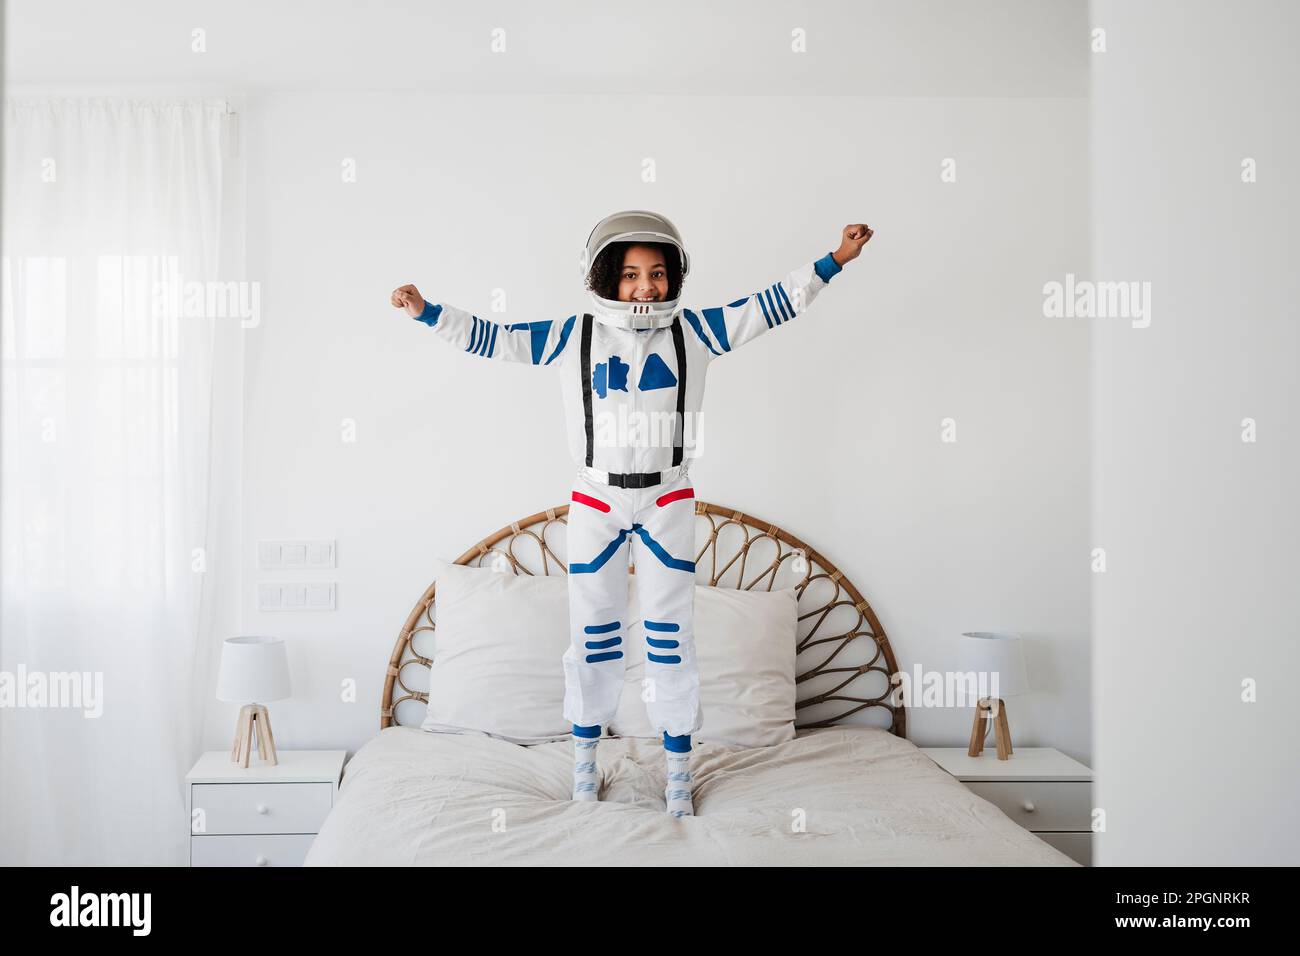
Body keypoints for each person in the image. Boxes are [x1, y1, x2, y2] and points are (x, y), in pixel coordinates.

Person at [392, 210, 872, 817]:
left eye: (656, 273)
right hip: (596, 497)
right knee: (593, 635)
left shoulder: (694, 332)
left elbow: (767, 306)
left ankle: (678, 773)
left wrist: (833, 262)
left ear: (674, 277)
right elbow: (500, 338)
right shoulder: (577, 334)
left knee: (671, 636)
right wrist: (430, 314)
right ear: (605, 278)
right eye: (630, 275)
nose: (645, 287)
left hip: (669, 496)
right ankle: (585, 769)